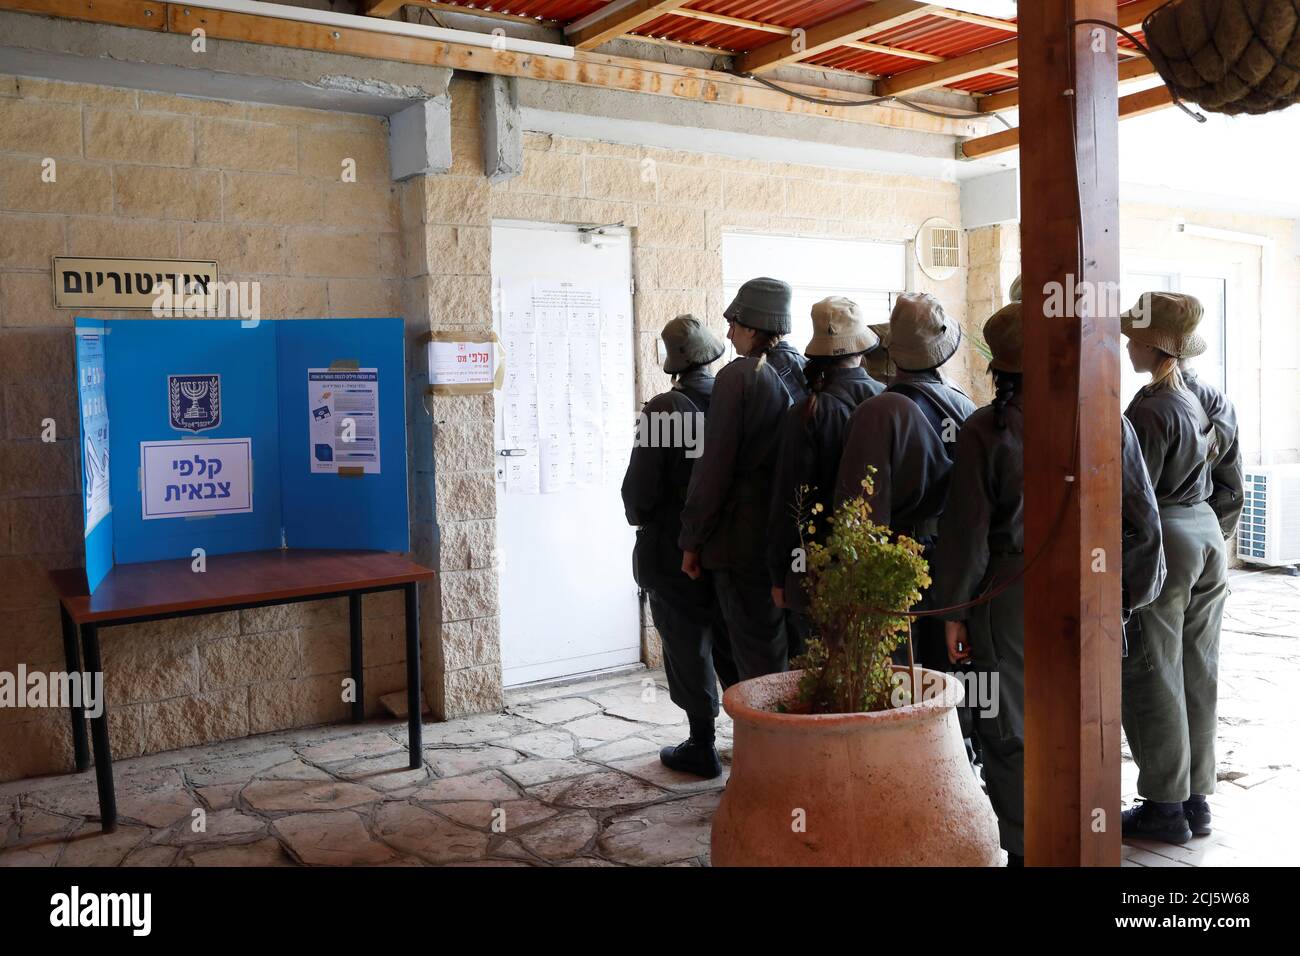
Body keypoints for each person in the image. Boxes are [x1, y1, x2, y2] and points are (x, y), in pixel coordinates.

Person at [1120, 291, 1242, 844]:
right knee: (1198, 670)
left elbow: (1133, 493)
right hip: (1205, 535)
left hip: (1166, 537)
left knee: (1152, 670)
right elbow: (1228, 486)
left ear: (1154, 345)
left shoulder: (1149, 406)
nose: (1126, 344)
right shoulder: (1198, 397)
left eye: (1134, 337)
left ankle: (1164, 808)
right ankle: (1195, 799)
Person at [622, 315, 738, 777]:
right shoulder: (738, 401)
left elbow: (639, 493)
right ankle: (756, 735)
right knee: (732, 642)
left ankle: (702, 743)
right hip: (731, 551)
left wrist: (641, 519)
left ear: (673, 362)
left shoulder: (665, 408)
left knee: (686, 643)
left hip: (673, 551)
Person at [835, 292, 977, 669]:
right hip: (955, 567)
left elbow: (859, 516)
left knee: (899, 686)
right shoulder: (965, 406)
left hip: (894, 570)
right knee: (945, 687)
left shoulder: (878, 412)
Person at [680, 277, 798, 681]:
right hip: (793, 537)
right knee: (790, 657)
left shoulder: (739, 376)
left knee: (756, 665)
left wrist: (692, 540)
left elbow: (713, 467)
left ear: (754, 327)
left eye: (735, 323)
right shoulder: (806, 370)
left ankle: (767, 744)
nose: (728, 333)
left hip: (743, 542)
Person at [767, 298, 885, 656]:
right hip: (878, 567)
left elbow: (791, 501)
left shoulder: (807, 412)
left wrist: (779, 574)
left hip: (817, 569)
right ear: (862, 352)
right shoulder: (891, 401)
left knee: (818, 676)